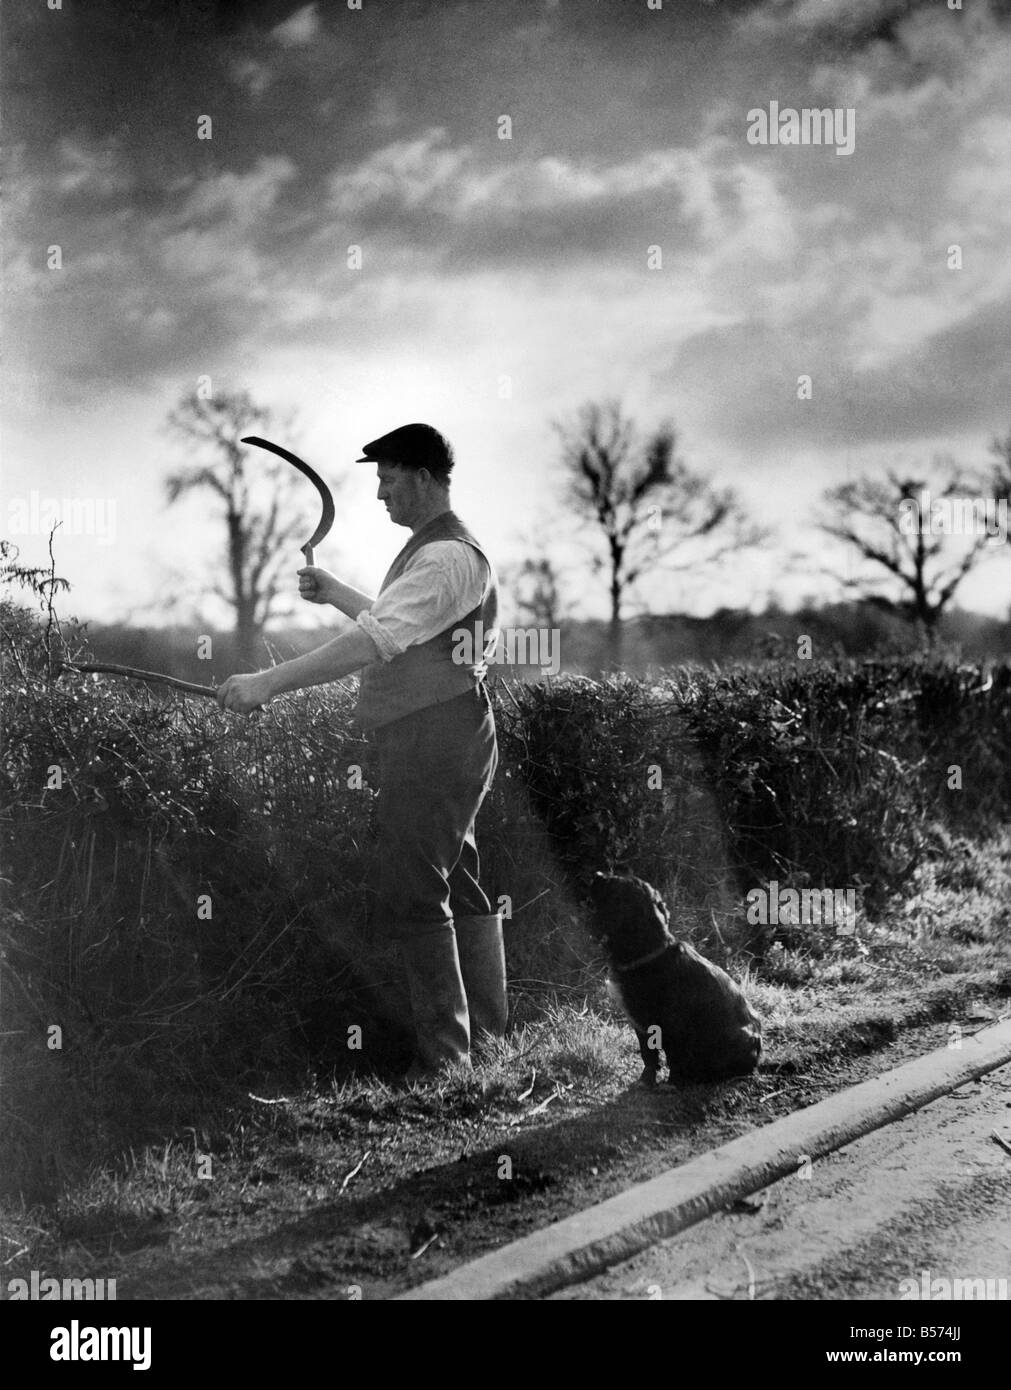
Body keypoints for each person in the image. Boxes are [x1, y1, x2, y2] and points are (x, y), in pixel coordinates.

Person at [217, 422, 506, 1081]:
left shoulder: (446, 557)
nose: (379, 493)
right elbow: (404, 626)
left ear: (426, 478)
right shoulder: (435, 555)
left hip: (437, 736)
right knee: (451, 874)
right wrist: (338, 592)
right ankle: (485, 1041)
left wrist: (268, 682)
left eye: (389, 477)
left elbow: (378, 641)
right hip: (445, 731)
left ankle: (446, 1060)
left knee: (413, 884)